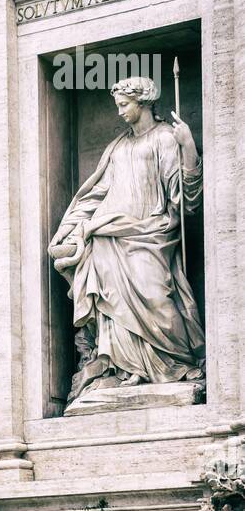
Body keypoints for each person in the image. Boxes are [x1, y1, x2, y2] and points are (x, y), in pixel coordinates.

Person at [49, 76, 205, 399]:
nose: (119, 112)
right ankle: (126, 367)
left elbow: (186, 198)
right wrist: (69, 230)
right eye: (117, 106)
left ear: (142, 102)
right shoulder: (117, 148)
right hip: (110, 235)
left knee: (156, 294)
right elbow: (94, 195)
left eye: (124, 105)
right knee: (105, 282)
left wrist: (187, 145)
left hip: (151, 233)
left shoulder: (164, 139)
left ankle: (173, 361)